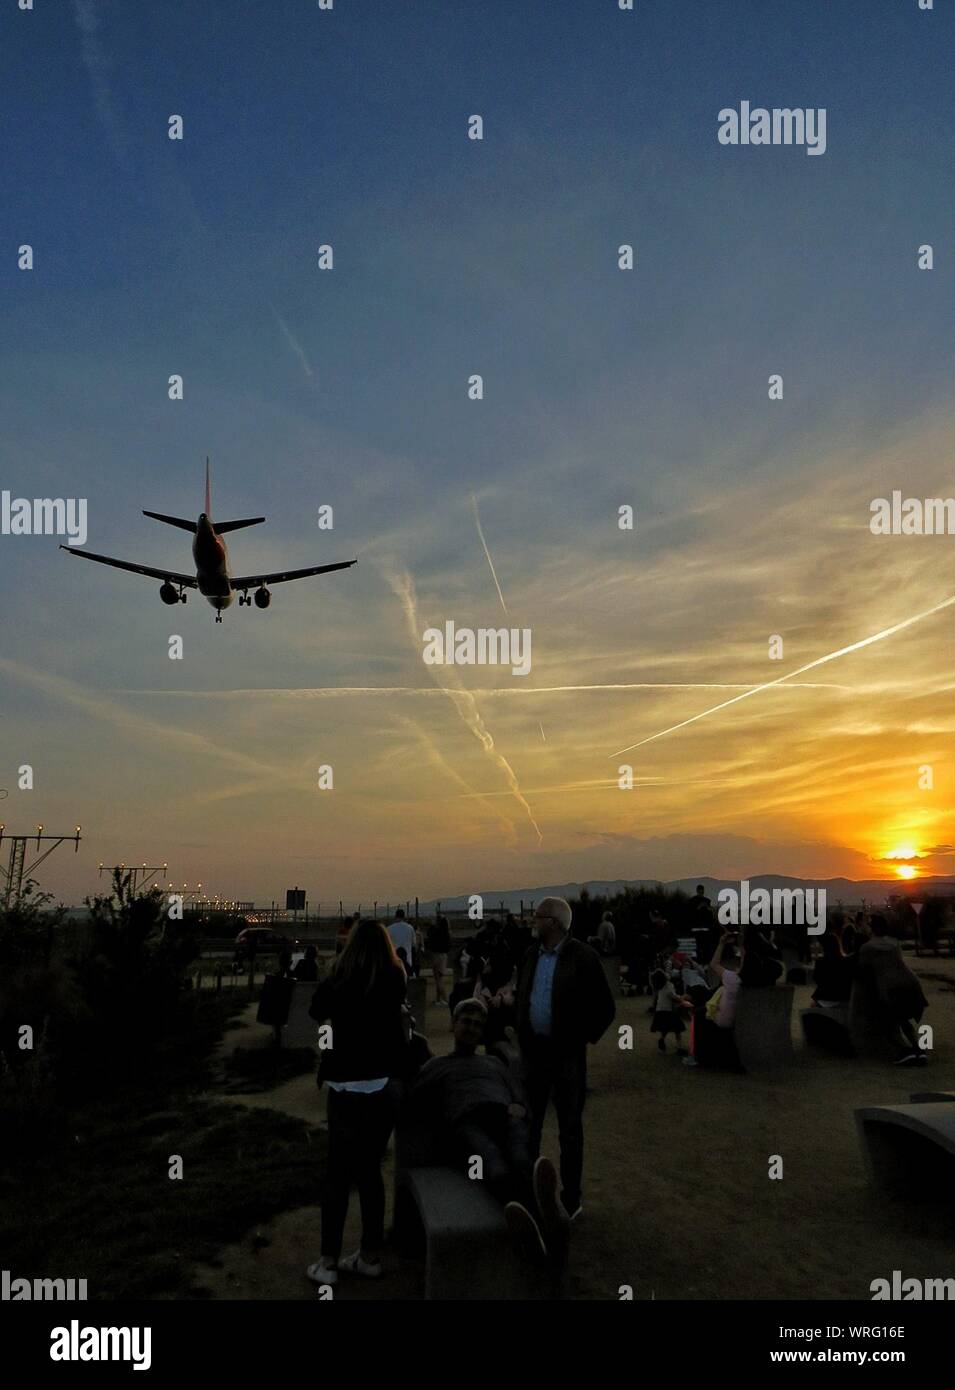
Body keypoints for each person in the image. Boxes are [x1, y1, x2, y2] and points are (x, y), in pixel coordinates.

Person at [305, 920, 407, 1286]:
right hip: (382, 1085)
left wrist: (334, 972)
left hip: (345, 1085)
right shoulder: (394, 978)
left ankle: (328, 1262)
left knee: (337, 1174)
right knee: (369, 1172)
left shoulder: (340, 979)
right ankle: (369, 1255)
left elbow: (316, 1010)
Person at [515, 896, 616, 1218]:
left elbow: (605, 1007)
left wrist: (579, 1038)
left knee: (570, 1129)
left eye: (538, 915)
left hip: (567, 1057)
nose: (533, 920)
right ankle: (528, 1195)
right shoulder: (530, 954)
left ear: (555, 922)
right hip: (533, 1054)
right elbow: (524, 994)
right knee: (528, 1127)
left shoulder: (583, 957)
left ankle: (571, 1198)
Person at [409, 998, 533, 1205]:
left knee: (521, 1160)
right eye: (466, 1021)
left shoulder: (493, 1063)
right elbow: (412, 1099)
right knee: (491, 1165)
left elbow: (518, 1093)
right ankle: (526, 1210)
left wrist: (520, 1105)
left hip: (504, 1118)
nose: (471, 1028)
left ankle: (530, 1211)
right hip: (467, 1125)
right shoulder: (437, 1066)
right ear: (453, 1024)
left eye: (477, 1025)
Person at [851, 914, 929, 1064]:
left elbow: (863, 970)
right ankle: (918, 1049)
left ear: (872, 928)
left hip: (889, 988)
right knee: (904, 1020)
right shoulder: (894, 943)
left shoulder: (867, 948)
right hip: (908, 982)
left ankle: (904, 1051)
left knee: (887, 1022)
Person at [683, 932, 742, 1070]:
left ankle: (698, 1056)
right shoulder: (748, 980)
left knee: (699, 1012)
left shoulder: (733, 979)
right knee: (703, 997)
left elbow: (714, 964)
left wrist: (721, 943)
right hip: (735, 1016)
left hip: (722, 1019)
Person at [649, 967, 688, 1055]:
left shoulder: (659, 987)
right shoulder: (668, 985)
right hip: (669, 1011)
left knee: (664, 1028)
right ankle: (679, 1047)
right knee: (677, 1029)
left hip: (660, 1011)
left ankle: (662, 1040)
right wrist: (682, 998)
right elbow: (672, 996)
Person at [811, 932, 853, 1007]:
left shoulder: (821, 962)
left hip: (824, 998)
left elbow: (816, 978)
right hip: (842, 998)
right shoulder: (846, 961)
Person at [425, 914, 452, 1004]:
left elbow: (429, 936)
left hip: (436, 955)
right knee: (440, 978)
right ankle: (438, 999)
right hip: (444, 956)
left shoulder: (436, 931)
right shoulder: (447, 933)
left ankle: (445, 999)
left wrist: (432, 925)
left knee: (438, 980)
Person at [387, 908, 417, 977]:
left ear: (395, 916)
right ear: (404, 917)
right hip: (408, 962)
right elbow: (414, 944)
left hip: (394, 962)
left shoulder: (389, 929)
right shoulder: (410, 928)